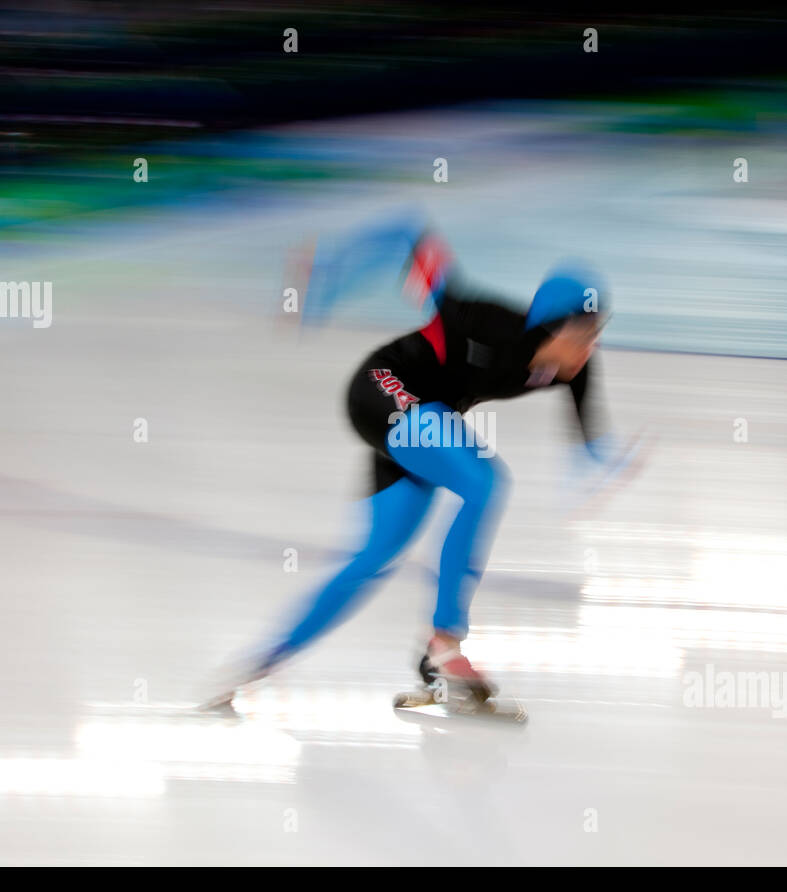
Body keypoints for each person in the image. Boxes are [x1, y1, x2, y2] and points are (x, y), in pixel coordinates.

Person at [205, 214, 629, 709]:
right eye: (582, 334)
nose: (590, 347)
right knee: (485, 481)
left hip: (423, 426)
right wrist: (326, 272)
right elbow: (412, 233)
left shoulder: (574, 371)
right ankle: (446, 643)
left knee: (375, 557)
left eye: (597, 333)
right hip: (382, 387)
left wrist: (605, 467)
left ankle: (256, 666)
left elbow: (589, 440)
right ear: (550, 327)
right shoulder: (484, 322)